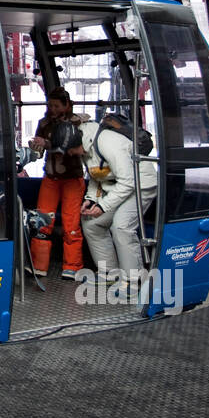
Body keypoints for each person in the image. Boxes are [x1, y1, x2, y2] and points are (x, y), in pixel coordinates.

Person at [80, 113, 158, 291]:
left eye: (69, 151)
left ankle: (133, 280)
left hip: (141, 184)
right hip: (119, 187)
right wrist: (91, 199)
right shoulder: (85, 148)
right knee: (92, 223)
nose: (70, 155)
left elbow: (128, 181)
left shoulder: (107, 143)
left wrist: (103, 206)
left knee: (122, 226)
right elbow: (96, 174)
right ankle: (109, 273)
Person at [28, 88, 86, 280]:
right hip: (51, 178)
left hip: (72, 179)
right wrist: (34, 148)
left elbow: (72, 147)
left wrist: (47, 143)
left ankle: (73, 265)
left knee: (71, 223)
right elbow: (39, 154)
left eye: (56, 105)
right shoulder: (43, 123)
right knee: (42, 221)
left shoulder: (77, 122)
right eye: (50, 105)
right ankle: (39, 264)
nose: (52, 109)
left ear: (66, 105)